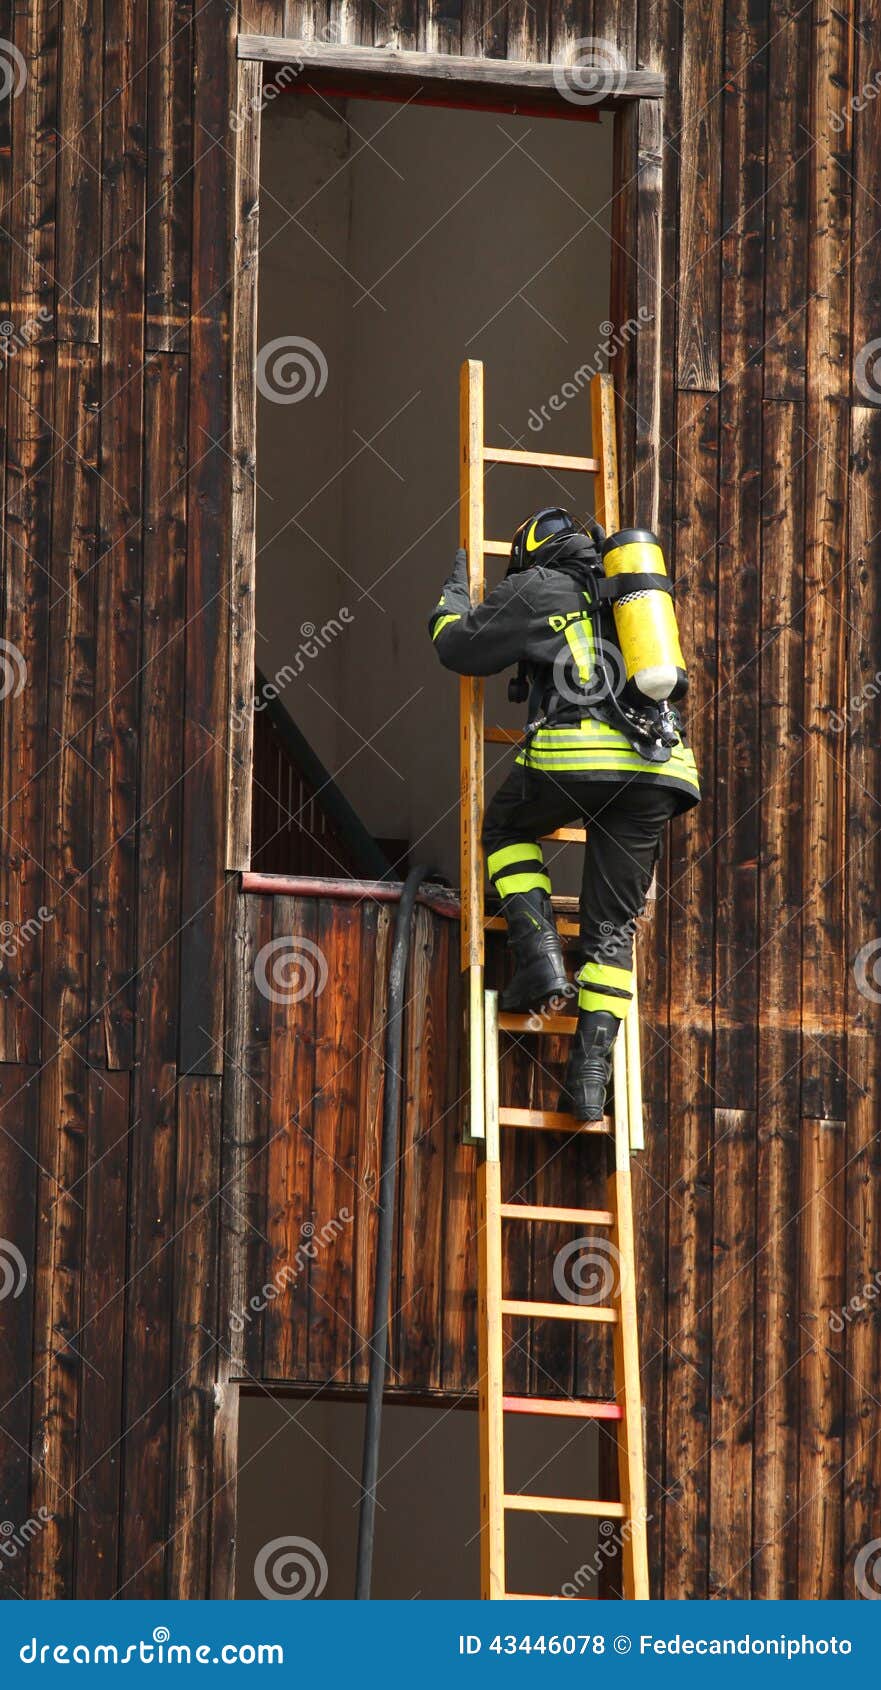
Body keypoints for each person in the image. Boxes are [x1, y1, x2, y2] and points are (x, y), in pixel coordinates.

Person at [428, 507, 700, 1124]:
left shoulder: (535, 587)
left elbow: (456, 646)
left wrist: (452, 591)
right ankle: (588, 1083)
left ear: (529, 554)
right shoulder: (635, 598)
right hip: (660, 771)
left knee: (505, 828)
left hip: (575, 757)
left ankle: (539, 954)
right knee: (612, 930)